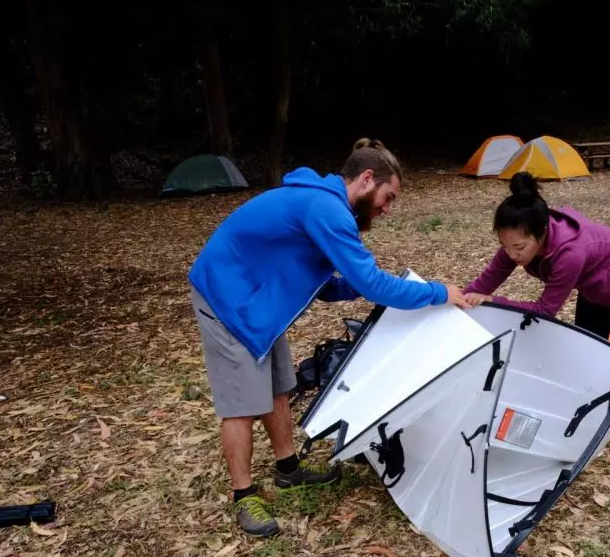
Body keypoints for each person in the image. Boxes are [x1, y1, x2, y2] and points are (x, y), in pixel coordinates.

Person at [188, 139, 469, 536]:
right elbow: (375, 285)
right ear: (367, 179)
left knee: (278, 386)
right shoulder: (327, 209)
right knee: (241, 403)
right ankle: (243, 495)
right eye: (388, 197)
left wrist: (355, 286)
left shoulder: (323, 204)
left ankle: (288, 469)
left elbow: (318, 280)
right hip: (227, 297)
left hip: (259, 299)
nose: (387, 208)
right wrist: (438, 293)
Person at [462, 172, 610, 471]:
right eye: (505, 246)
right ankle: (578, 434)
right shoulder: (520, 237)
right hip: (594, 287)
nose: (511, 255)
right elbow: (486, 281)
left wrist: (493, 301)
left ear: (541, 234)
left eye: (519, 248)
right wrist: (458, 300)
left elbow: (544, 310)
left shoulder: (570, 253)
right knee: (585, 363)